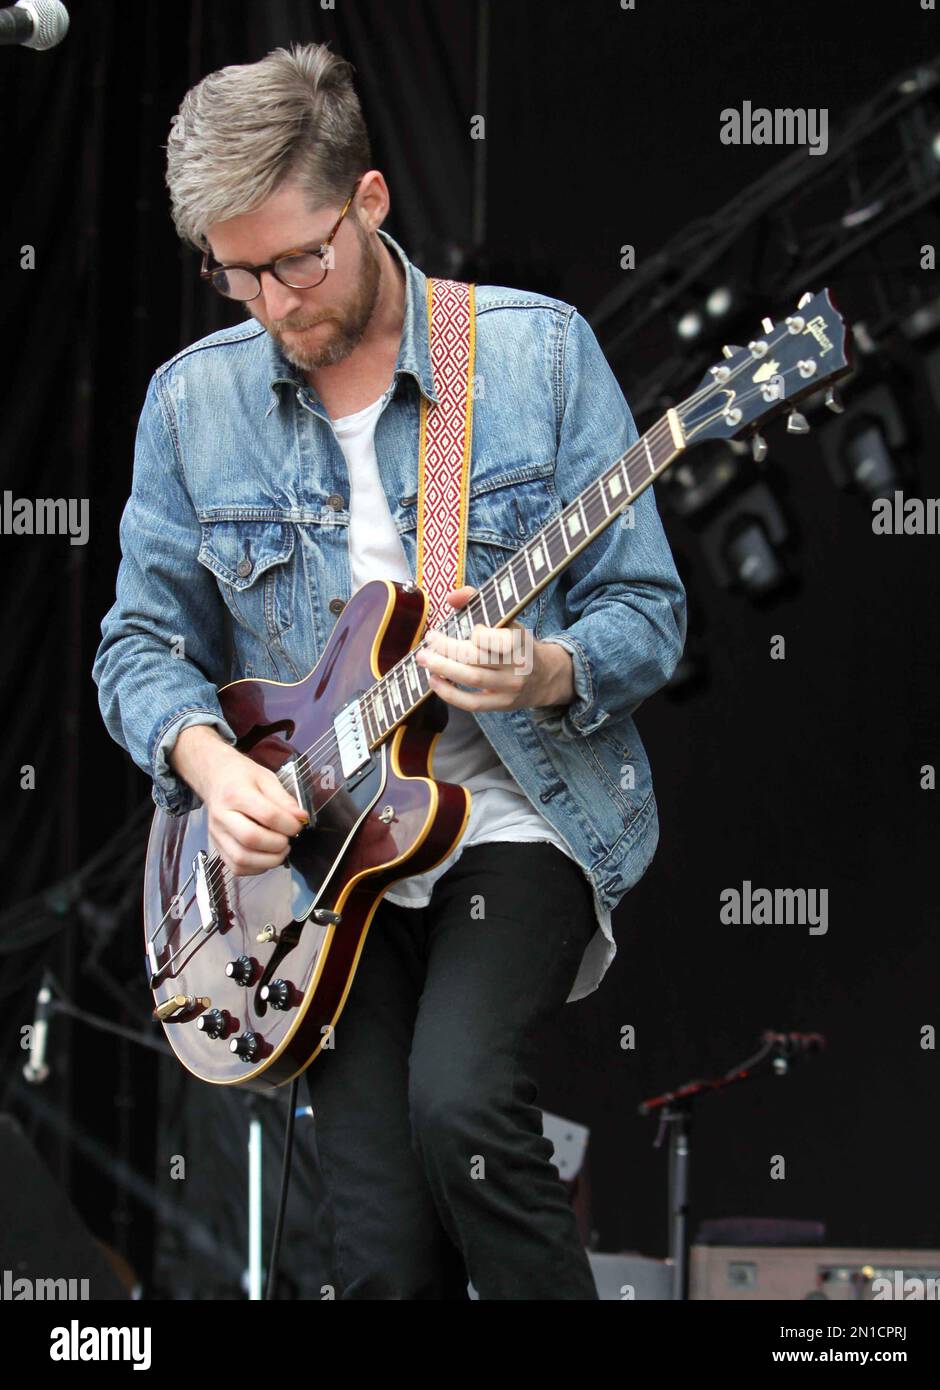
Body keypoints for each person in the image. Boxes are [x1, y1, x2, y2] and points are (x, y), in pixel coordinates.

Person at [92, 42, 686, 1300]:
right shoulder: (190, 406)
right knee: (376, 1243)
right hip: (319, 857)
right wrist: (209, 770)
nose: (273, 303)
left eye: (296, 259)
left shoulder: (531, 356)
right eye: (235, 273)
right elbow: (139, 645)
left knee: (461, 1112)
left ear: (368, 202)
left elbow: (649, 612)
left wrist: (542, 669)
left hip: (514, 809)